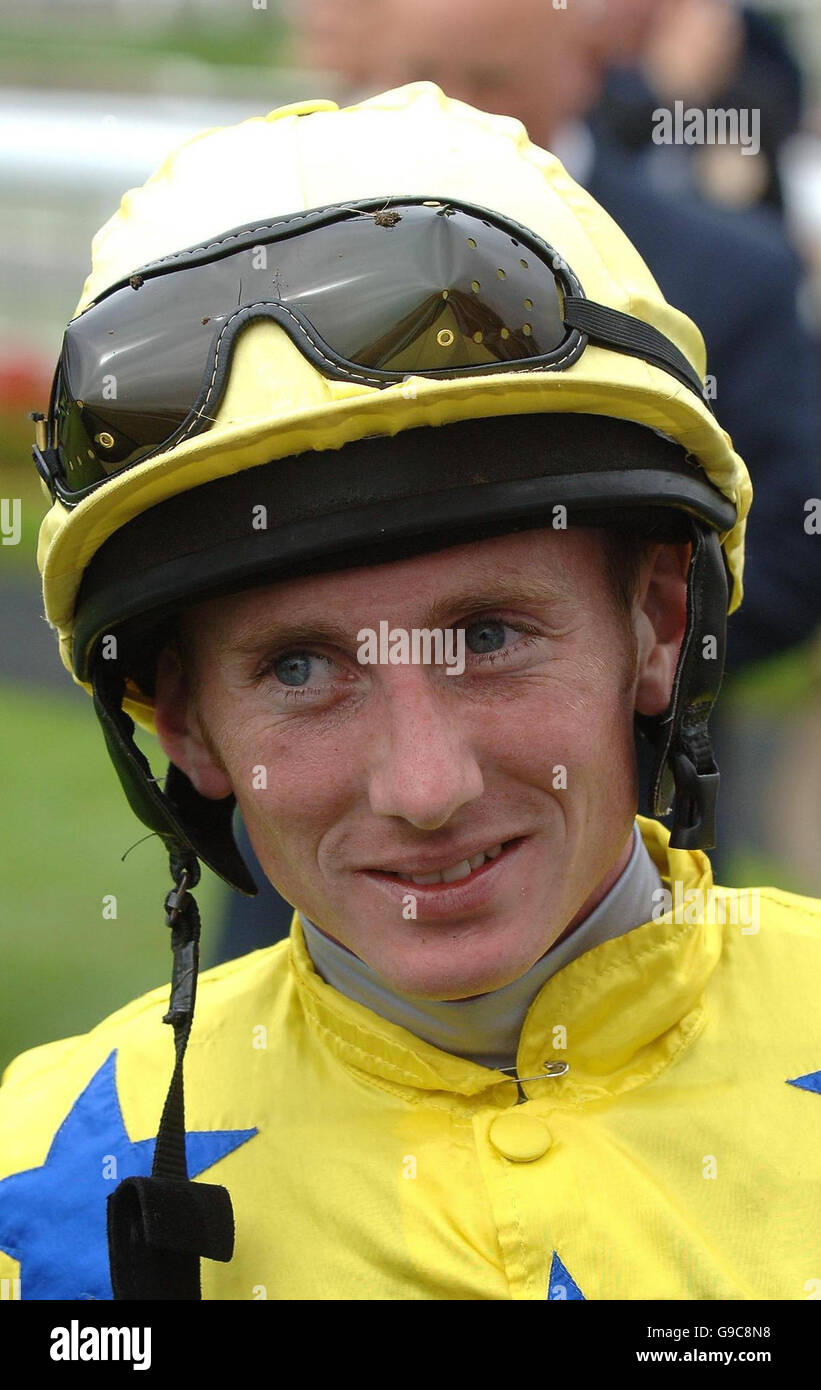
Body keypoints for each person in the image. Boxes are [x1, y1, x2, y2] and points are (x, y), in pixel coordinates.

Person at [2, 83, 820, 1302]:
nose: (425, 788)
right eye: (299, 667)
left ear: (654, 625)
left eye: (486, 635)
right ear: (184, 722)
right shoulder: (33, 1181)